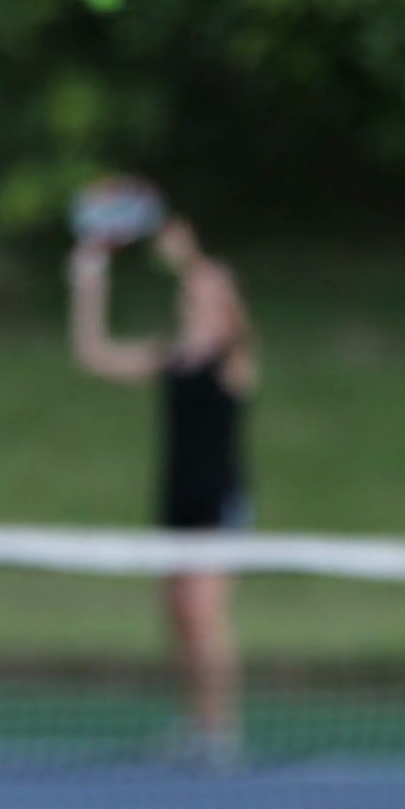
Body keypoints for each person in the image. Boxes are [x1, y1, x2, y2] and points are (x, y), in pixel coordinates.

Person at [68, 212, 254, 770]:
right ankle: (197, 725)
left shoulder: (234, 360)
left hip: (219, 502)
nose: (197, 294)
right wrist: (89, 282)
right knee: (177, 617)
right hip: (175, 500)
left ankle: (223, 732)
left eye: (208, 291)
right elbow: (93, 355)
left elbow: (214, 286)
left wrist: (186, 253)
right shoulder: (169, 357)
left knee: (204, 613)